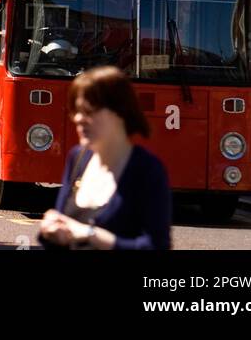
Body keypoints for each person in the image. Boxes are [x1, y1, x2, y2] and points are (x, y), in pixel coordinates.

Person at [38, 66, 172, 250]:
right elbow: (62, 237)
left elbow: (156, 246)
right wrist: (50, 231)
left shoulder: (147, 170)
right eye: (76, 110)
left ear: (119, 113)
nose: (78, 118)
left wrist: (91, 235)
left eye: (89, 111)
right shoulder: (77, 158)